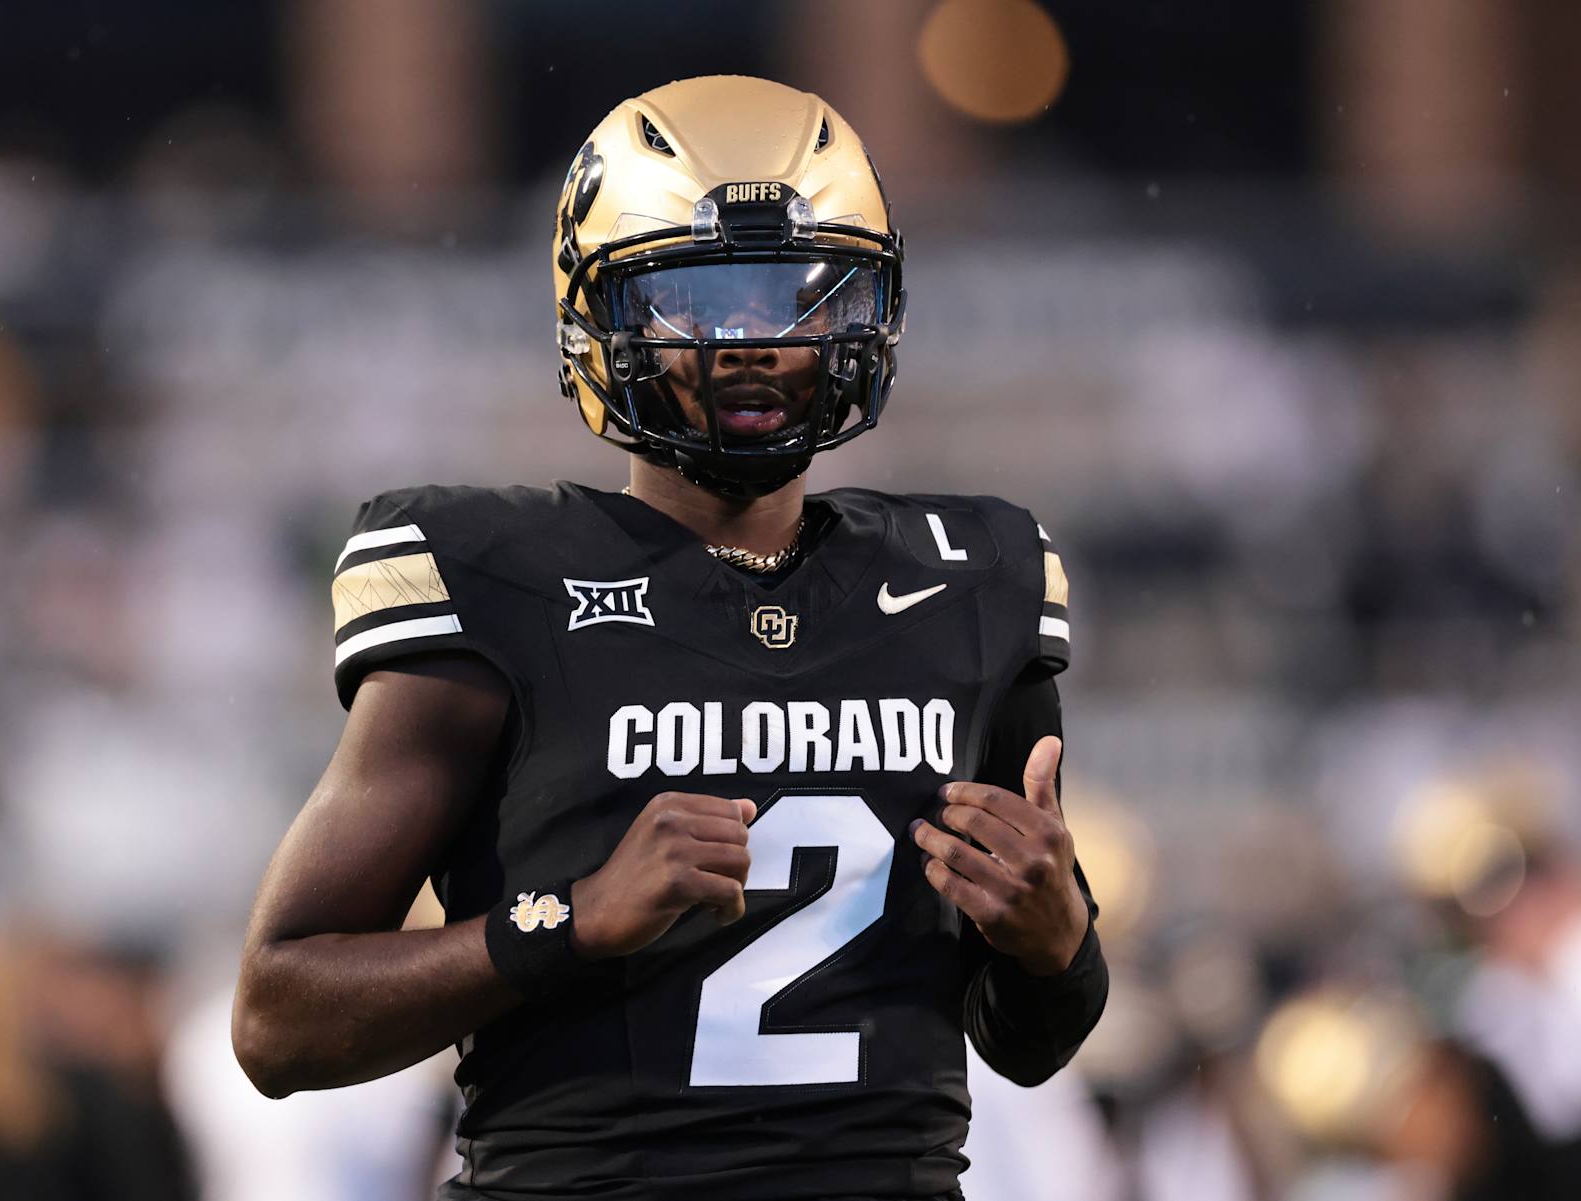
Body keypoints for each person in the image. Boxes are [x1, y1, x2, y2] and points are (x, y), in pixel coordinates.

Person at [233, 75, 1109, 1201]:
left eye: (799, 296)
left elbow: (1029, 1041)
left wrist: (1055, 938)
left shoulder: (973, 581)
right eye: (699, 300)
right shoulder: (494, 573)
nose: (753, 343)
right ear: (598, 316)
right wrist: (567, 921)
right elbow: (278, 1020)